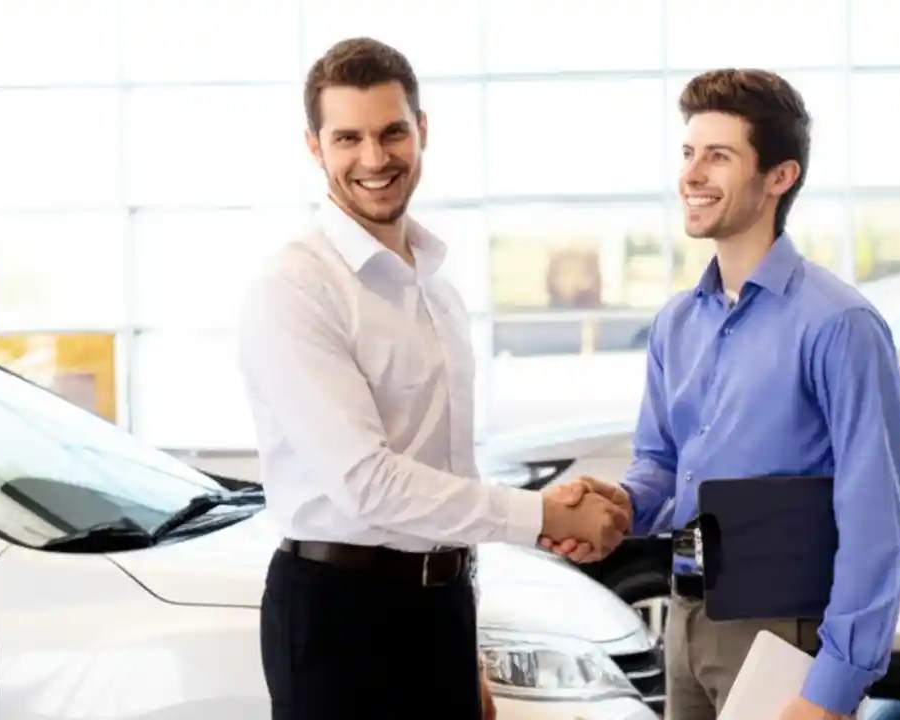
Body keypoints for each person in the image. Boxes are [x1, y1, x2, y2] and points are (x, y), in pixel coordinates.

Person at [238, 37, 629, 720]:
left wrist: (463, 645)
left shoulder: (434, 283)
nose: (374, 158)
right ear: (314, 147)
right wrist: (541, 517)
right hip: (339, 618)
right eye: (347, 138)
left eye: (392, 132)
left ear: (422, 129)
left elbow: (443, 471)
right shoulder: (296, 287)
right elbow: (370, 485)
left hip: (441, 607)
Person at [544, 68, 900, 720]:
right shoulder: (677, 323)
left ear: (779, 177)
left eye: (719, 156)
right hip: (687, 617)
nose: (692, 174)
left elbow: (877, 525)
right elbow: (661, 468)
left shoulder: (838, 326)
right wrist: (618, 510)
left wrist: (832, 687)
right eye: (688, 153)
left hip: (780, 632)